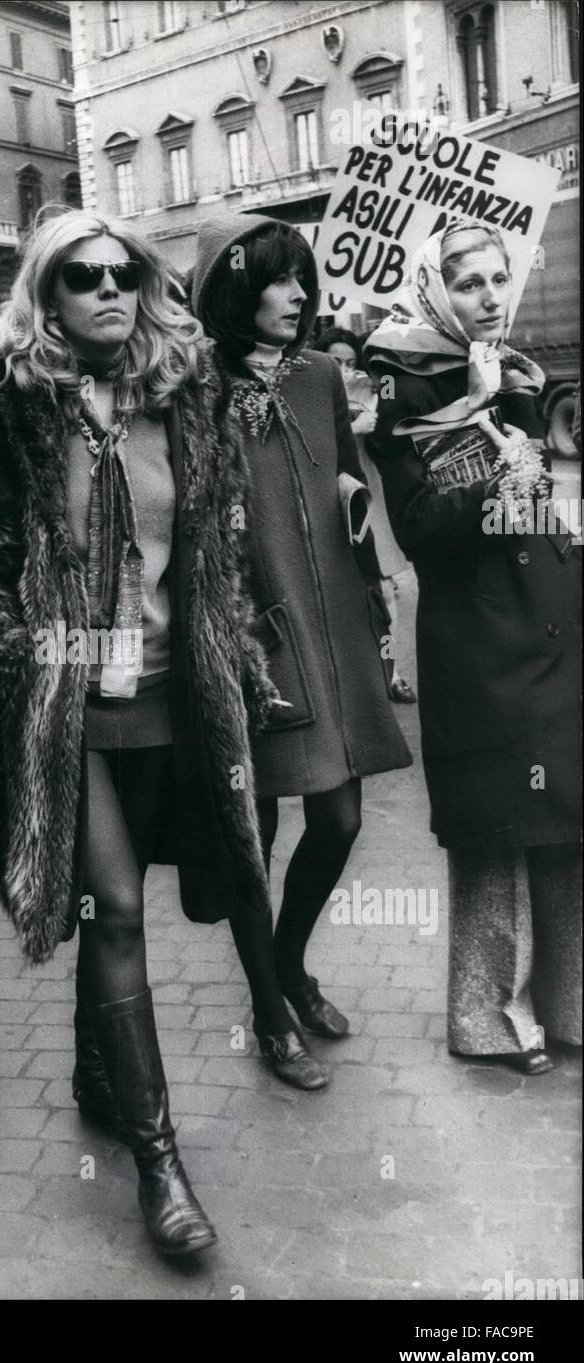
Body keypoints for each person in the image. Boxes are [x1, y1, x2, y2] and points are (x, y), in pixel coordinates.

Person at [0, 208, 286, 1257]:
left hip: (180, 693)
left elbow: (216, 542)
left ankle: (98, 1061)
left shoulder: (186, 388)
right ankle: (158, 1161)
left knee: (141, 900)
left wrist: (243, 658)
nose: (108, 289)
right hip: (66, 702)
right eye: (81, 276)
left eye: (123, 271)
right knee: (113, 905)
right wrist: (11, 673)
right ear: (45, 293)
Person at [191, 214, 412, 1068]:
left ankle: (287, 962)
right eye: (276, 280)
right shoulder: (193, 388)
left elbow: (349, 489)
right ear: (233, 291)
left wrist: (376, 605)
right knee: (254, 834)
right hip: (253, 641)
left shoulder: (320, 375)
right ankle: (268, 1010)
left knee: (341, 818)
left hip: (334, 633)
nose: (296, 294)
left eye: (301, 278)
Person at [364, 218, 582, 1074]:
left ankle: (567, 1005)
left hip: (556, 620)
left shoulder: (525, 374)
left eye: (498, 280)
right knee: (496, 825)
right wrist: (494, 455)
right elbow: (418, 527)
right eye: (468, 283)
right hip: (481, 633)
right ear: (434, 289)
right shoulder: (401, 384)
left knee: (567, 818)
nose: (489, 297)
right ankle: (483, 1018)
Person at [317, 327, 417, 703]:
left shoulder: (374, 390)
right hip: (333, 500)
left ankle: (393, 673)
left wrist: (377, 422)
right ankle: (352, 676)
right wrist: (348, 427)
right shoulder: (312, 393)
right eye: (335, 362)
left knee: (389, 588)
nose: (344, 369)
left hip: (369, 494)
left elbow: (392, 443)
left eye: (350, 362)